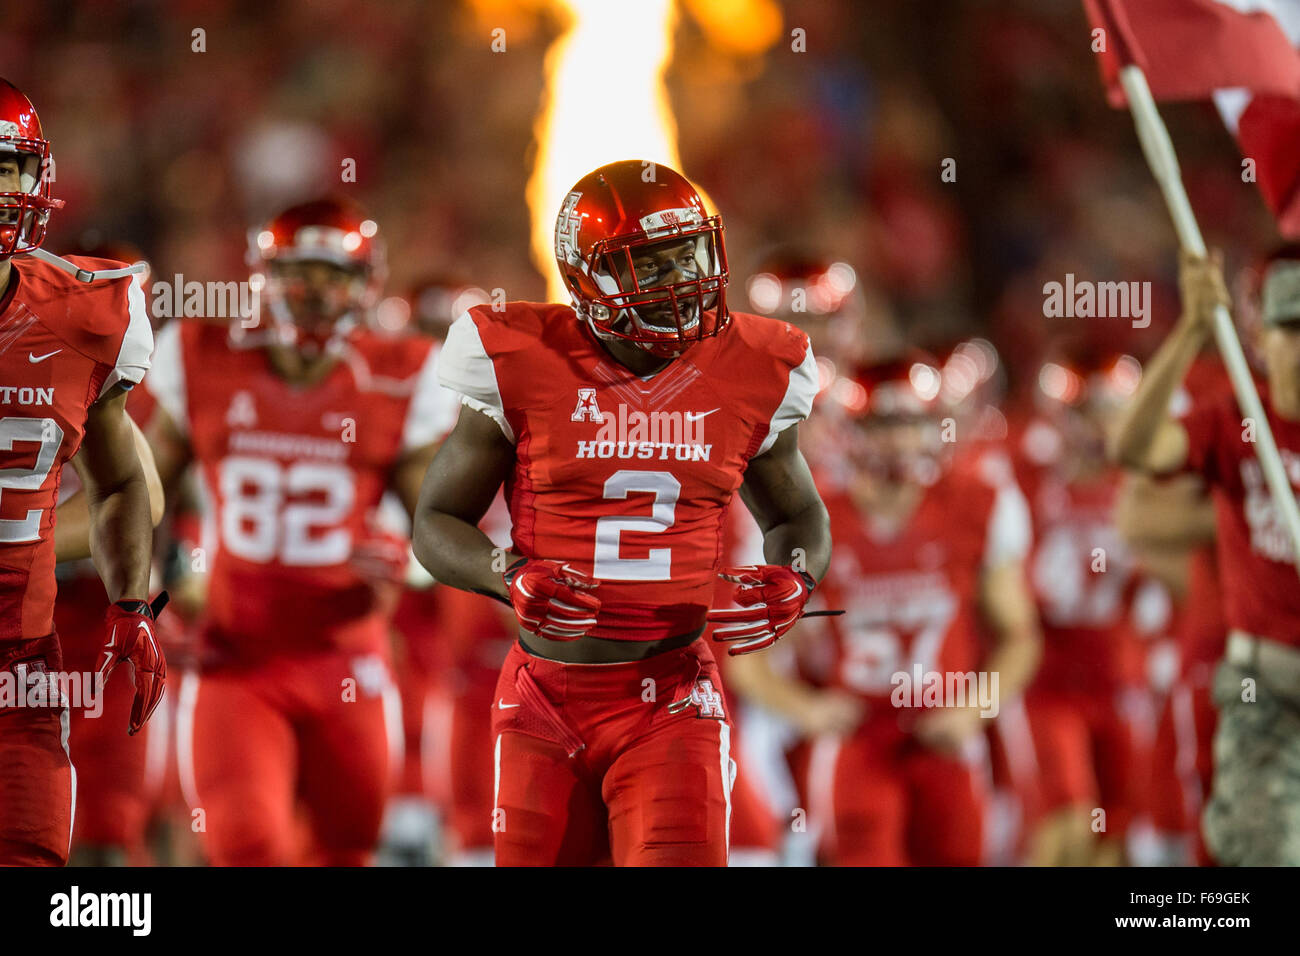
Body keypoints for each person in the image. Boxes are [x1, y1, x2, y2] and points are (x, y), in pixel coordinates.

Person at [414, 159, 830, 866]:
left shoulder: (754, 366)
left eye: (689, 254)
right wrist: (506, 573)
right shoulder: (520, 356)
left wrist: (795, 578)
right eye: (652, 266)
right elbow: (435, 521)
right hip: (544, 697)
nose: (682, 282)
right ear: (589, 280)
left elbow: (798, 516)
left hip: (672, 694)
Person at [143, 198, 454, 865]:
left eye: (334, 274)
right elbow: (140, 494)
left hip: (347, 659)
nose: (317, 292)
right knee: (248, 847)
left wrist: (404, 552)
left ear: (365, 283)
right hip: (236, 659)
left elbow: (436, 520)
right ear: (265, 275)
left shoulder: (403, 372)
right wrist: (159, 590)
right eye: (302, 273)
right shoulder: (202, 354)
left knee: (345, 852)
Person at [728, 355, 1041, 865]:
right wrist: (808, 710)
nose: (898, 442)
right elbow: (748, 652)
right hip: (859, 743)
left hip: (947, 735)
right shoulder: (810, 519)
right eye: (881, 426)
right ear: (847, 431)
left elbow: (1020, 636)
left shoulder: (977, 502)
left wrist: (974, 707)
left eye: (912, 423)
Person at [0, 78, 166, 866]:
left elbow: (126, 481)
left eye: (8, 168)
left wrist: (133, 602)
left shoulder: (88, 315)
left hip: (19, 670)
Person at [1110, 248, 1300, 866]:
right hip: (1264, 685)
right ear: (1261, 341)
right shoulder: (1236, 421)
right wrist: (1191, 329)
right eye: (1290, 330)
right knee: (1257, 852)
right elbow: (1134, 449)